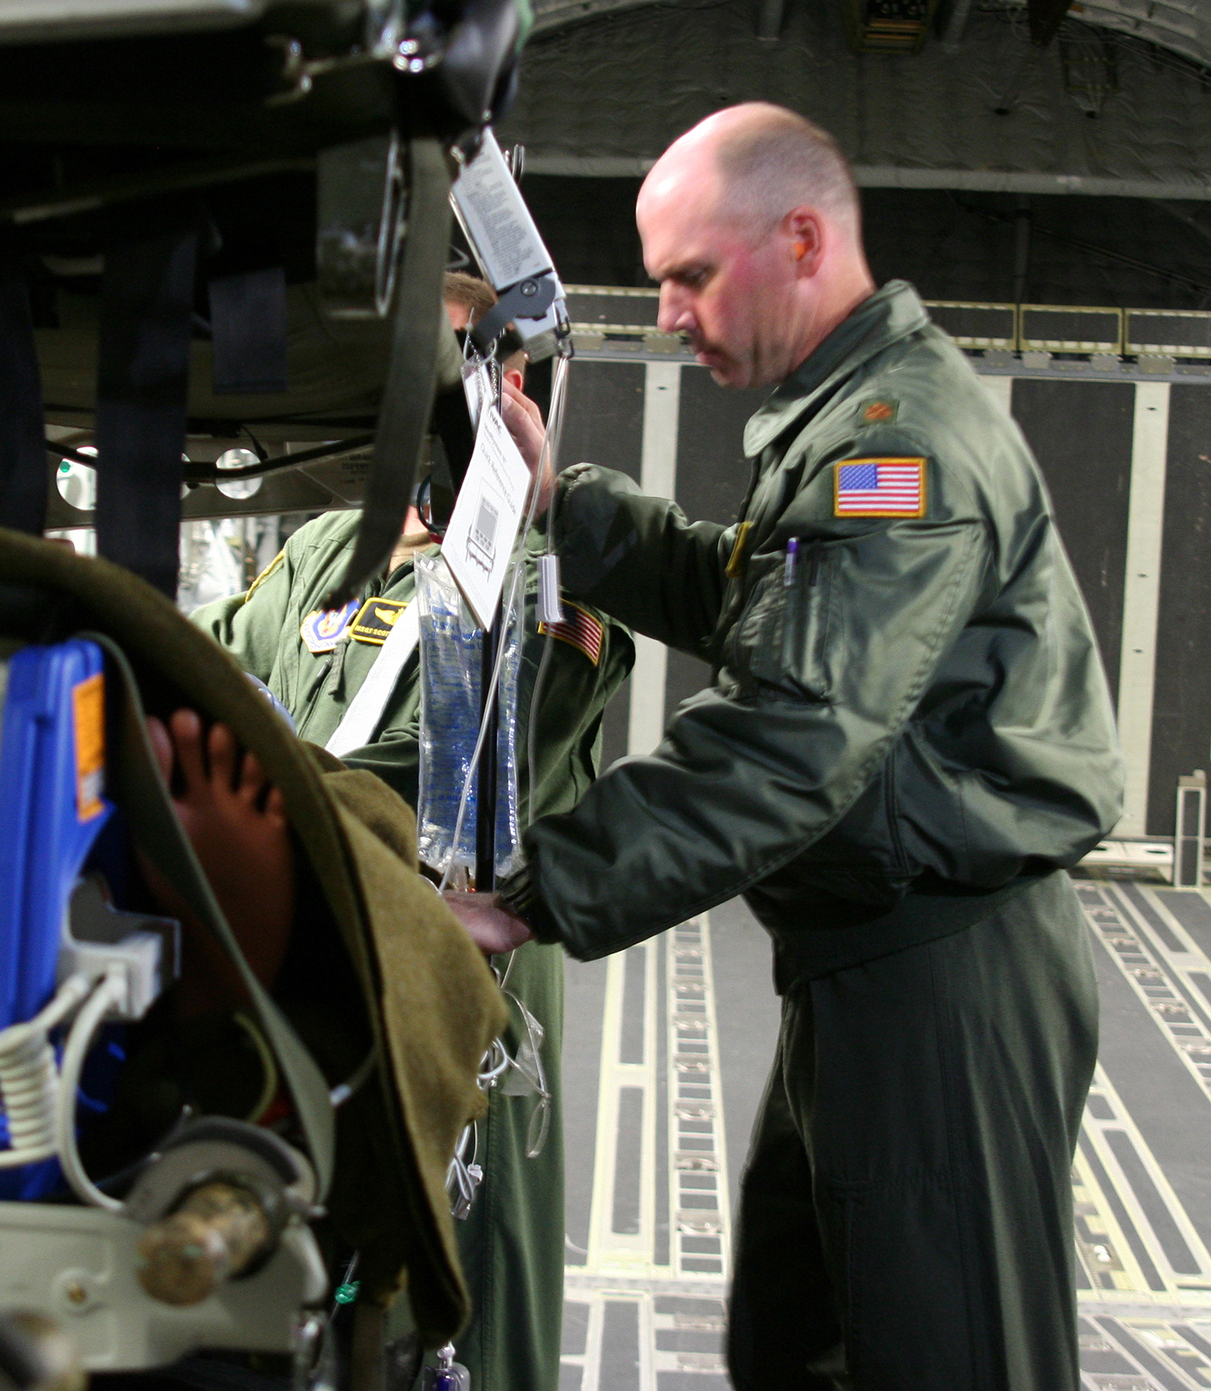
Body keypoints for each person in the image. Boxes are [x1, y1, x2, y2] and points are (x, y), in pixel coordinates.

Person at [446, 104, 1121, 1390]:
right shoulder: (845, 423)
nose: (669, 316)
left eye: (690, 276)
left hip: (944, 983)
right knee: (796, 1343)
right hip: (866, 961)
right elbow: (756, 604)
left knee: (947, 1356)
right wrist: (558, 505)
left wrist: (530, 895)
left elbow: (796, 734)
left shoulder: (897, 449)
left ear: (801, 239)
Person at [193, 273, 635, 1391]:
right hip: (298, 1004)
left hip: (456, 1029)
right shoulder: (324, 547)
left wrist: (521, 508)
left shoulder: (551, 578)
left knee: (469, 1317)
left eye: (439, 375)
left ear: (509, 386)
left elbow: (437, 760)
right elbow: (203, 664)